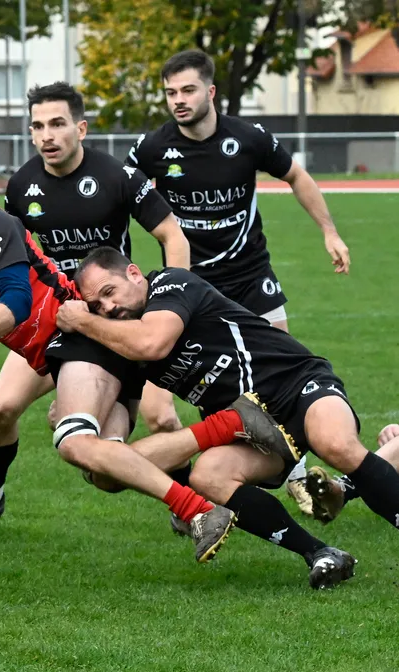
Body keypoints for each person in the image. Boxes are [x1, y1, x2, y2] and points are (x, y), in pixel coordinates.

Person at [0, 162, 316, 566]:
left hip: (80, 336)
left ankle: (199, 507)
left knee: (70, 438)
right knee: (97, 464)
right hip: (49, 354)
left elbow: (18, 299)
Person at [59, 247, 399, 589]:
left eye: (108, 292)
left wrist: (83, 320)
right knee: (206, 476)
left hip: (296, 385)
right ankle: (322, 553)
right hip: (250, 428)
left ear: (134, 274)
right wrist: (95, 444)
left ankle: (350, 483)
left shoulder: (169, 283)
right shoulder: (119, 340)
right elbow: (122, 423)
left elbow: (153, 344)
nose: (107, 308)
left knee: (335, 443)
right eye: (96, 306)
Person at [0, 82, 189, 535]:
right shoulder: (21, 186)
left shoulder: (116, 176)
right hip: (50, 321)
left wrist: (172, 303)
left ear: (81, 127)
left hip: (113, 322)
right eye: (37, 126)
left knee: (162, 416)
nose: (47, 135)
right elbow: (6, 256)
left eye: (57, 124)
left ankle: (186, 496)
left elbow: (173, 236)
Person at [127, 49, 353, 515]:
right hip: (186, 291)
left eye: (188, 90)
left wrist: (329, 231)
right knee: (154, 410)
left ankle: (296, 478)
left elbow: (297, 176)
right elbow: (116, 189)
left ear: (210, 92)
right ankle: (190, 497)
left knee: (282, 390)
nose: (178, 100)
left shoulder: (247, 138)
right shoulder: (153, 148)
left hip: (251, 281)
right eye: (170, 93)